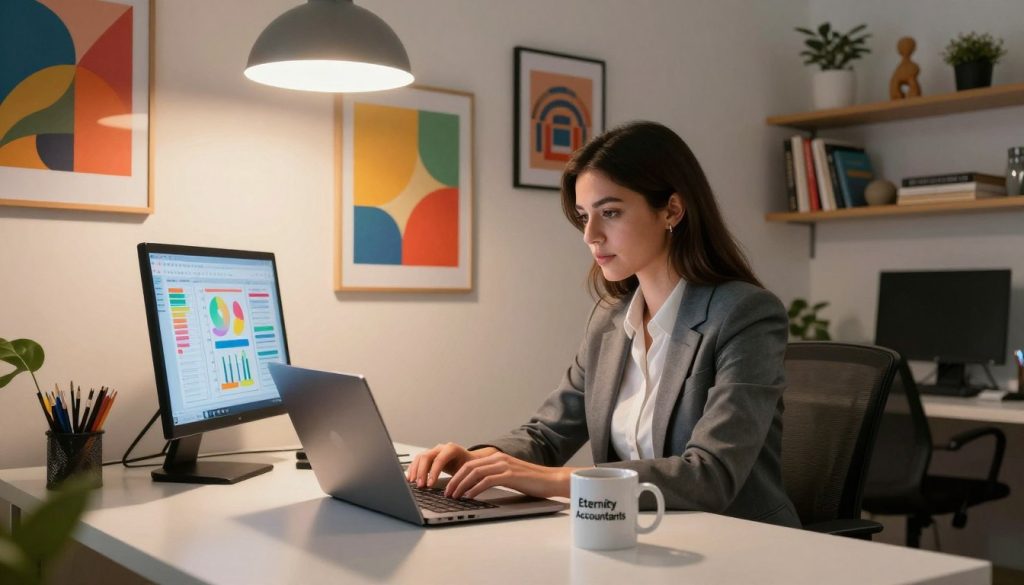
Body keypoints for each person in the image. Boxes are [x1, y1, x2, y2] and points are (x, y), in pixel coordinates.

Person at [406, 121, 800, 527]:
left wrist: (551, 480)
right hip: (636, 536)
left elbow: (709, 476)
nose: (590, 235)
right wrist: (479, 459)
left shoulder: (746, 314)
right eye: (583, 216)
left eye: (610, 212)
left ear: (672, 210)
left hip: (739, 544)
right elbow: (547, 435)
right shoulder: (610, 320)